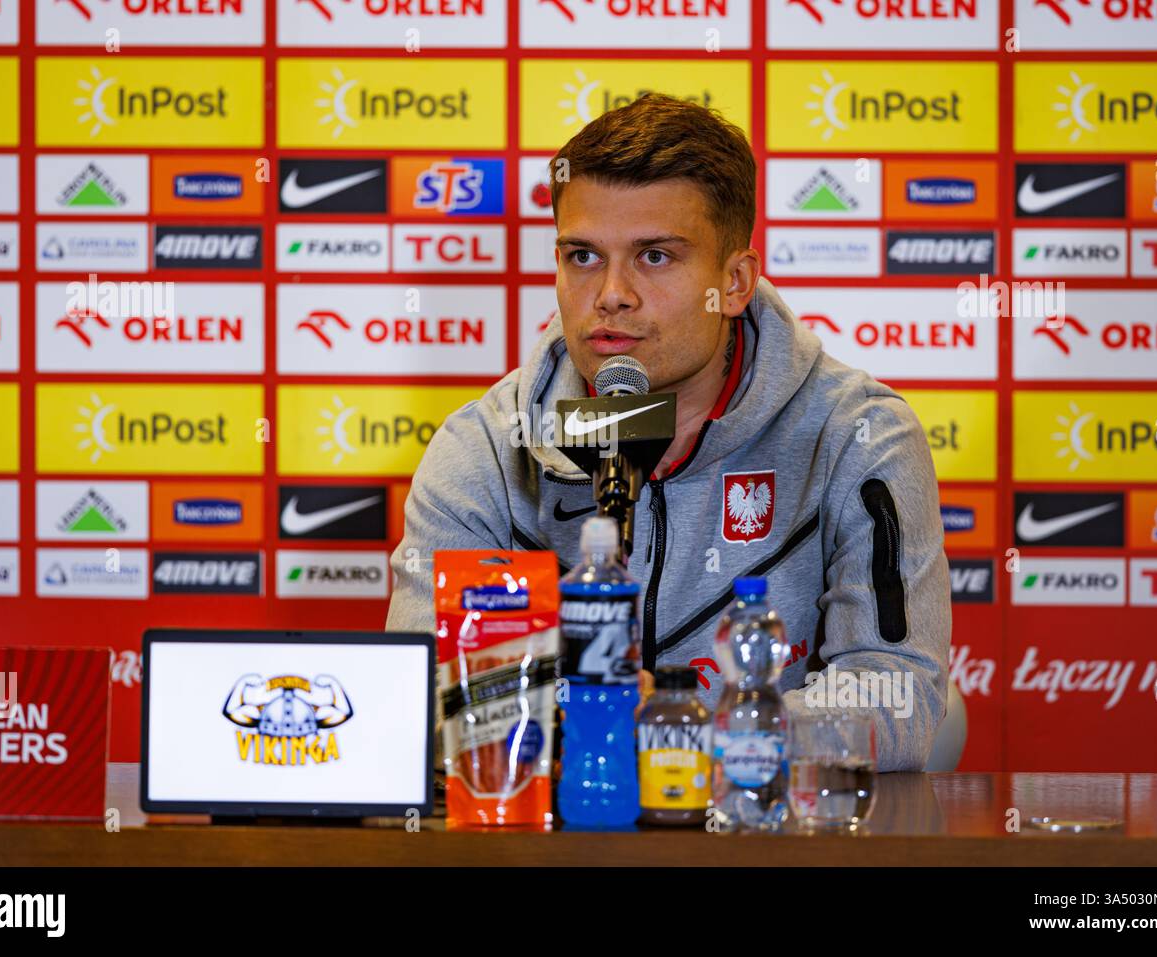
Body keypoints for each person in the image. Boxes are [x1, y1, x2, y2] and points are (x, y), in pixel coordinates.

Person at [387, 92, 951, 771]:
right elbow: (417, 701)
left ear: (735, 280)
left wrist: (675, 727)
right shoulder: (482, 448)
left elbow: (898, 697)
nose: (611, 294)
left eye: (654, 256)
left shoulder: (857, 435)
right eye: (583, 256)